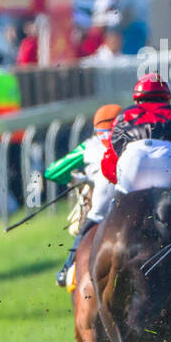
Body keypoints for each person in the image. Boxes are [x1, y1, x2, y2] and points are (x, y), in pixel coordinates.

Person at [46, 103, 121, 289]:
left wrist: (77, 179)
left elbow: (52, 172)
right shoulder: (134, 138)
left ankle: (67, 267)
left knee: (91, 221)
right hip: (135, 202)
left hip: (102, 209)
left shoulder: (89, 147)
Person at [101, 74, 171, 192]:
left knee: (117, 205)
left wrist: (117, 181)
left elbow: (110, 160)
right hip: (168, 158)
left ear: (136, 99)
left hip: (132, 161)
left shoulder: (122, 117)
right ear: (167, 98)